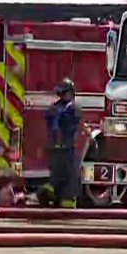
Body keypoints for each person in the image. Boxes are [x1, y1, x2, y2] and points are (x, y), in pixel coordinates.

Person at [38, 78, 89, 208]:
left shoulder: (54, 107)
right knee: (70, 175)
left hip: (53, 148)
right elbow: (79, 123)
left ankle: (50, 194)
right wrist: (89, 134)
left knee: (57, 175)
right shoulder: (72, 107)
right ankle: (65, 202)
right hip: (65, 148)